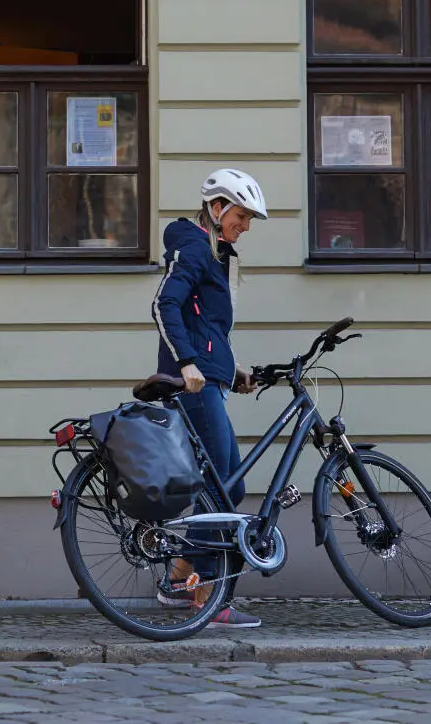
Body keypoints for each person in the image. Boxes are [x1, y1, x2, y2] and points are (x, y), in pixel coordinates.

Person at [150, 168, 268, 629]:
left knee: (228, 484)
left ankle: (176, 583)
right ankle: (207, 598)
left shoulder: (216, 254)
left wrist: (229, 369)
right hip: (191, 385)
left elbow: (208, 327)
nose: (246, 225)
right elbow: (165, 304)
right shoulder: (195, 245)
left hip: (209, 379)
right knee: (222, 488)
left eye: (250, 218)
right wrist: (187, 365)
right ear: (217, 208)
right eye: (242, 214)